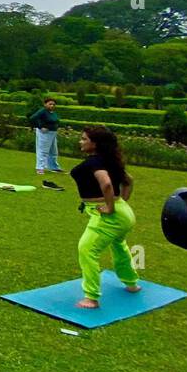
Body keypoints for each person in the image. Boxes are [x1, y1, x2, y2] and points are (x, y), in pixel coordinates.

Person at [71, 127, 140, 309]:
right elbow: (129, 181)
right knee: (119, 246)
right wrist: (120, 203)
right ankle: (132, 283)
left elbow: (107, 184)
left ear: (95, 144)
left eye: (84, 139)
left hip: (108, 214)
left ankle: (91, 298)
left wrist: (110, 207)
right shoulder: (110, 160)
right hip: (123, 212)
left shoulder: (95, 162)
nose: (81, 141)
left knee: (86, 249)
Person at [29, 97, 62, 174]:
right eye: (50, 104)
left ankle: (54, 167)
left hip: (53, 133)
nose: (52, 106)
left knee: (53, 151)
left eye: (53, 104)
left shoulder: (53, 112)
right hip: (45, 133)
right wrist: (40, 127)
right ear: (45, 104)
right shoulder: (43, 111)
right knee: (43, 151)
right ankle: (40, 168)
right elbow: (32, 118)